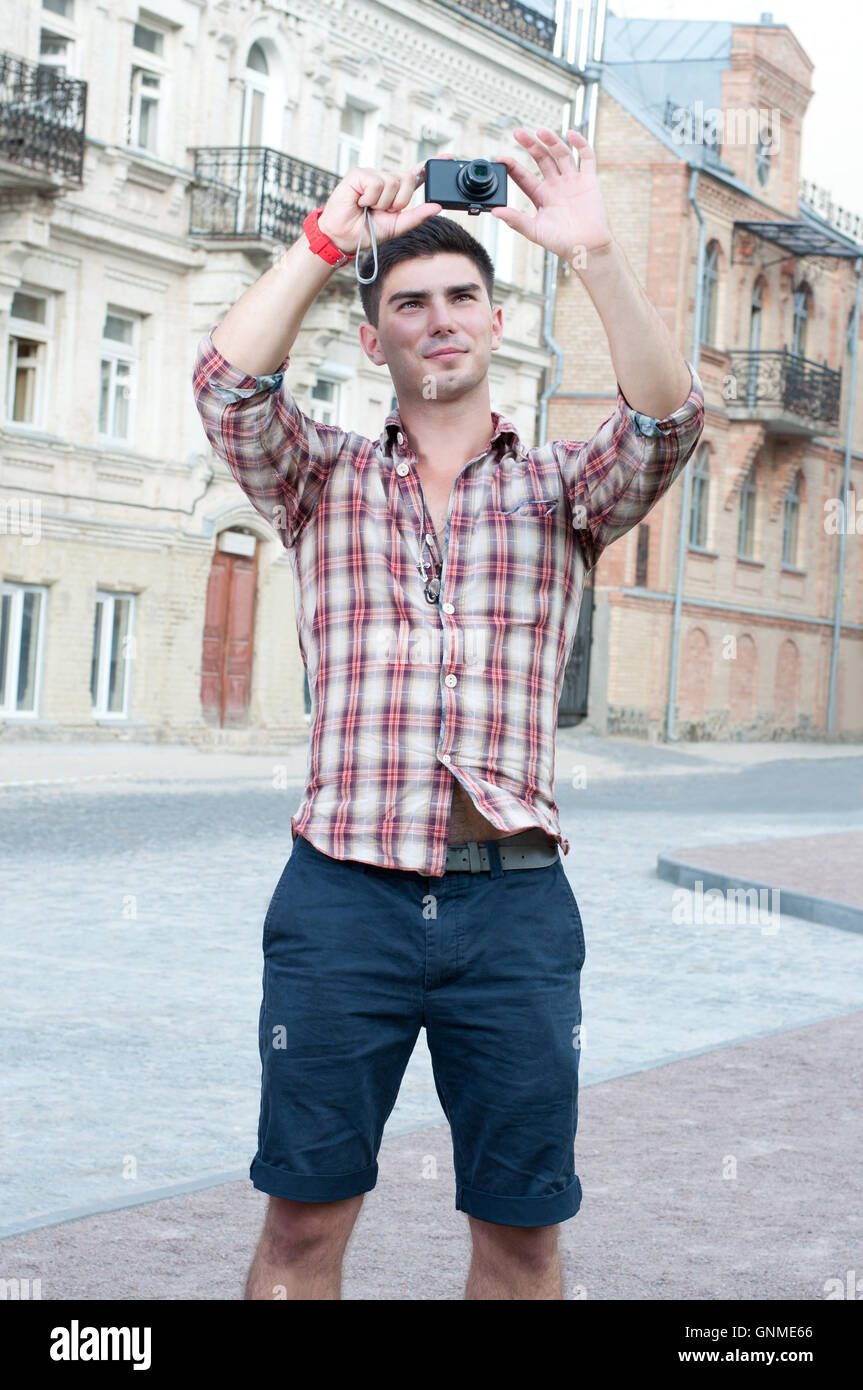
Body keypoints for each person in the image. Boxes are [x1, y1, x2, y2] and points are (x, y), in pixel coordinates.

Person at [191, 127, 705, 1300]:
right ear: (373, 339)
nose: (438, 318)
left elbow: (666, 423)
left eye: (462, 295)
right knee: (302, 1230)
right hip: (342, 902)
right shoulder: (319, 477)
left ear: (495, 320)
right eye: (409, 301)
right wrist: (328, 240)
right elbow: (227, 387)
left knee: (522, 1239)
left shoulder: (562, 488)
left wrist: (592, 255)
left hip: (513, 913)